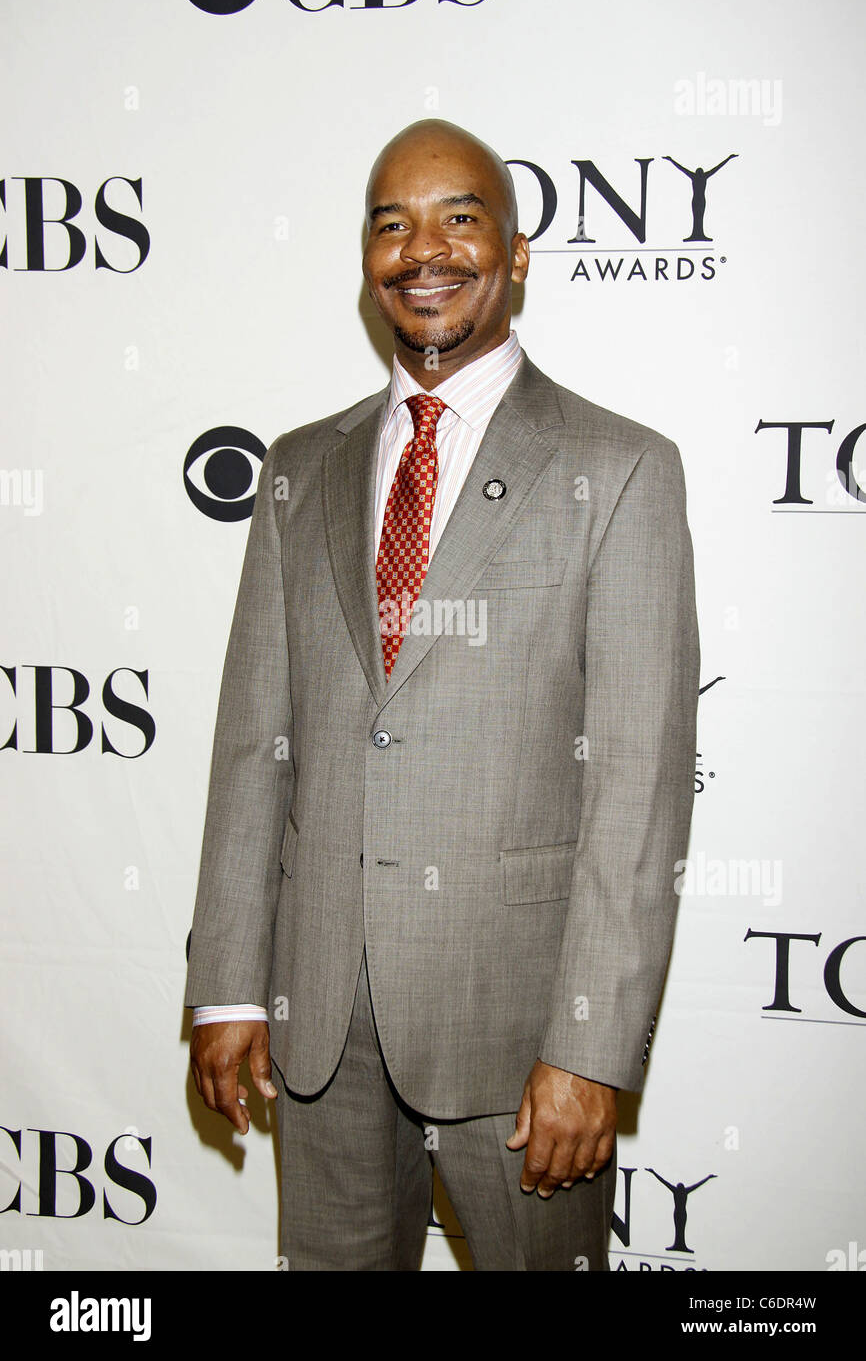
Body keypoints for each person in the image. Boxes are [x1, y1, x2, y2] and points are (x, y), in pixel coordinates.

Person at [185, 118, 700, 1272]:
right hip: (318, 1022)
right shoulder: (294, 467)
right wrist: (226, 981)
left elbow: (637, 782)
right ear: (365, 260)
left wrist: (589, 1047)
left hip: (517, 1034)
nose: (424, 249)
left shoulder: (617, 469)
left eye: (459, 217)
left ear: (516, 254)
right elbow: (249, 741)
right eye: (391, 223)